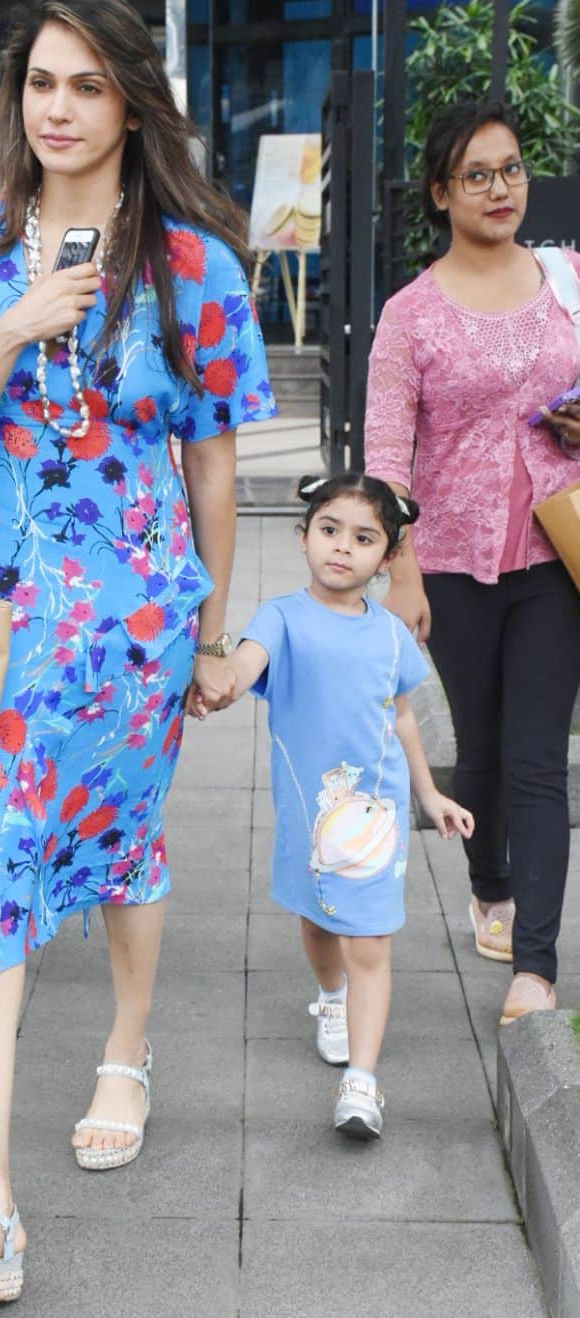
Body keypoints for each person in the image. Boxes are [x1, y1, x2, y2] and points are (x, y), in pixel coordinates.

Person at [0, 0, 275, 1310]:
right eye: (41, 81)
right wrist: (1, 337)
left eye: (87, 84)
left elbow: (211, 457)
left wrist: (210, 630)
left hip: (130, 625)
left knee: (121, 845)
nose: (58, 106)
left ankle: (126, 1047)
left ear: (131, 101)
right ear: (14, 99)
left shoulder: (193, 264)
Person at [365, 97, 580, 1027]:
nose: (502, 189)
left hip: (554, 552)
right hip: (449, 559)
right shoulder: (409, 315)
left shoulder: (571, 282)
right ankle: (488, 880)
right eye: (479, 175)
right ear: (442, 192)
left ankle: (537, 964)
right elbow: (385, 451)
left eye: (514, 168)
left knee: (537, 758)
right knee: (481, 757)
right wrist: (399, 566)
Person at [205, 473, 472, 1140]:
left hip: (375, 816)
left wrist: (428, 791)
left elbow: (402, 714)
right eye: (330, 531)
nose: (342, 549)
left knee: (370, 940)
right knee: (320, 923)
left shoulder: (390, 636)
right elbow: (244, 664)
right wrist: (221, 682)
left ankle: (362, 1082)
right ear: (304, 538)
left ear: (386, 558)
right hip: (310, 813)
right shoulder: (282, 617)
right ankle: (331, 999)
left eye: (364, 539)